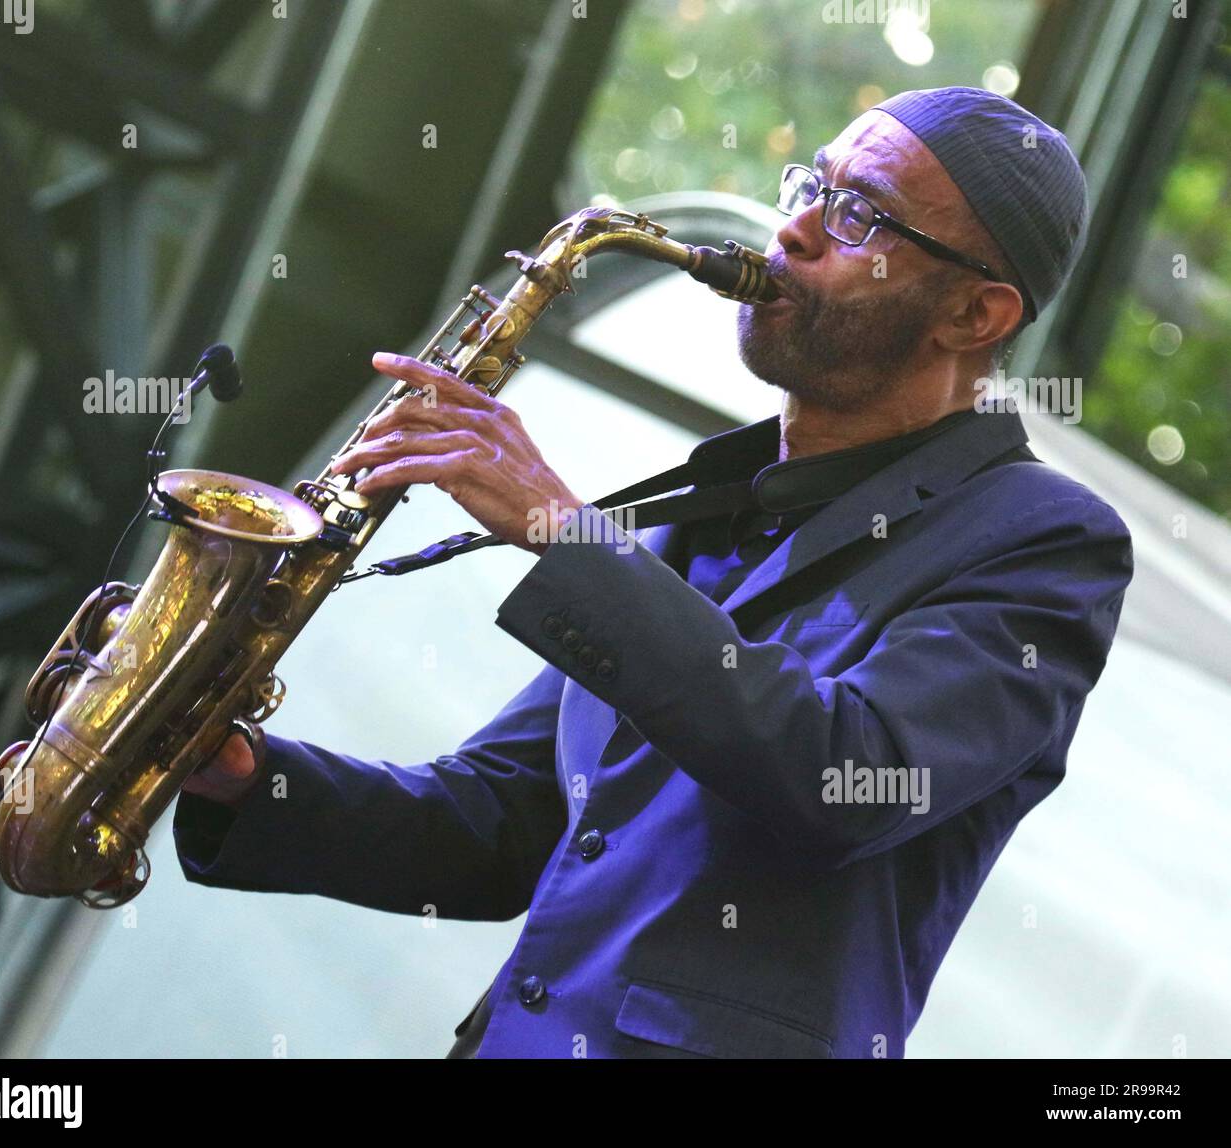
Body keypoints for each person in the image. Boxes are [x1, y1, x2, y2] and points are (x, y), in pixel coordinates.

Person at [173, 87, 1133, 1058]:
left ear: (974, 313)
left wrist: (565, 530)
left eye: (859, 215)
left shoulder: (1044, 538)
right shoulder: (710, 507)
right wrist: (249, 781)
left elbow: (847, 776)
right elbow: (502, 823)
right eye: (810, 186)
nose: (793, 230)